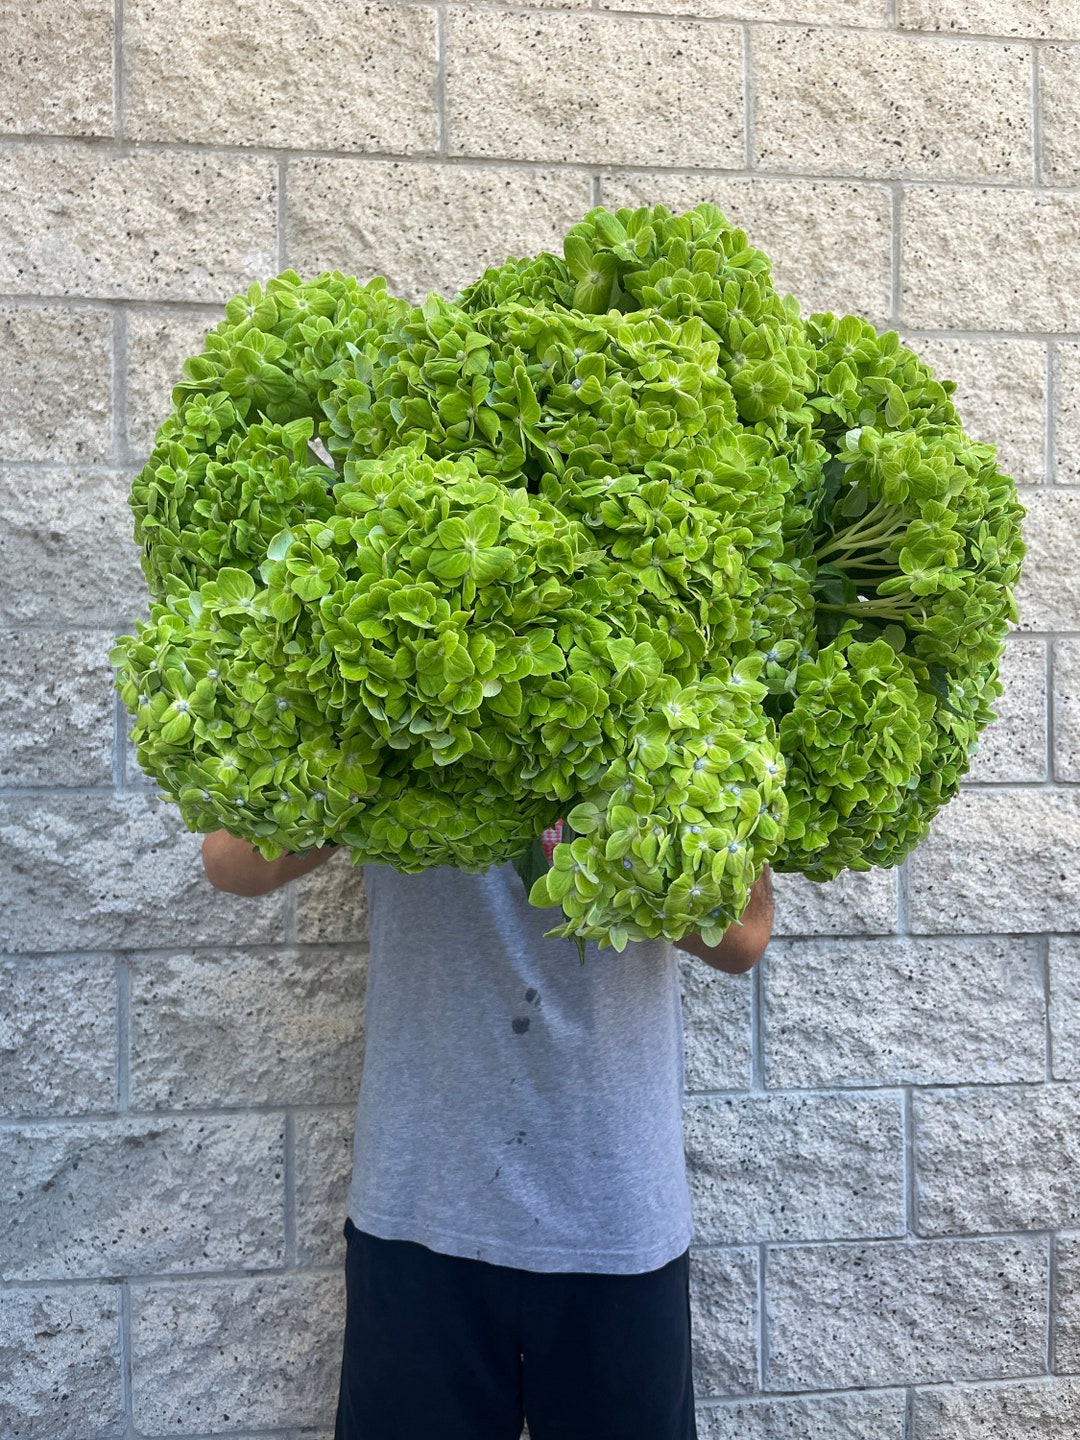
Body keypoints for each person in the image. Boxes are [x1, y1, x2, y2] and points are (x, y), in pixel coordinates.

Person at [202, 828, 773, 1440]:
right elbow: (231, 865)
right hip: (422, 1205)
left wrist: (600, 843)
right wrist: (360, 774)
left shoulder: (677, 731)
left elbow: (742, 935)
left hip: (612, 1210)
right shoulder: (372, 737)